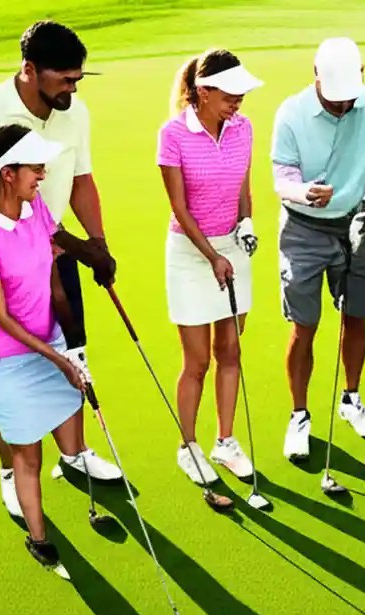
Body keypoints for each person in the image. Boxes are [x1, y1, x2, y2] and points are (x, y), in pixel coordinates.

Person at [0, 21, 120, 518]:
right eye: (64, 80)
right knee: (6, 369)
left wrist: (98, 244)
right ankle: (11, 469)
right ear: (29, 70)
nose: (73, 89)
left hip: (61, 259)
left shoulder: (76, 114)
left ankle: (73, 454)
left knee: (72, 353)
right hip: (9, 263)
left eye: (78, 79)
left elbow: (82, 181)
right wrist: (74, 245)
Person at [0, 124, 108, 568]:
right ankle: (40, 540)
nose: (42, 172)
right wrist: (58, 360)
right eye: (34, 166)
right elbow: (3, 318)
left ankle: (73, 467)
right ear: (8, 173)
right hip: (6, 361)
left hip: (50, 343)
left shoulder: (36, 210)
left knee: (72, 444)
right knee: (30, 454)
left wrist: (74, 346)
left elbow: (55, 287)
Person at [270, 37, 365, 466]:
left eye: (349, 97)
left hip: (354, 225)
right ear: (315, 75)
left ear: (362, 75)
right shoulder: (290, 112)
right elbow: (280, 178)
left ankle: (351, 398)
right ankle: (299, 415)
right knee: (304, 325)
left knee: (355, 313)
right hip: (303, 230)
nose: (342, 106)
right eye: (334, 98)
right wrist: (304, 192)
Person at [157, 48, 262, 491]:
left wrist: (247, 223)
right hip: (189, 253)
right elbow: (179, 208)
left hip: (231, 248)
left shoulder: (243, 129)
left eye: (242, 92)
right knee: (197, 361)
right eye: (230, 92)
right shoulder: (173, 135)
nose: (238, 100)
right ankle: (188, 446)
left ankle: (225, 440)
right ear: (203, 90)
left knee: (231, 352)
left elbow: (243, 186)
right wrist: (212, 256)